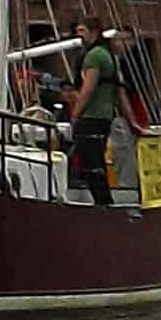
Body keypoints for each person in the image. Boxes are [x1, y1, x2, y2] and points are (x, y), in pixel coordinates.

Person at [67, 27, 124, 205]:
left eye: (83, 30)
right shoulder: (107, 56)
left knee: (90, 160)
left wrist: (75, 113)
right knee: (93, 160)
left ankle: (104, 202)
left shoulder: (94, 56)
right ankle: (103, 201)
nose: (79, 35)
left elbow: (89, 87)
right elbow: (118, 91)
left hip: (92, 116)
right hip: (104, 116)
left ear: (94, 32)